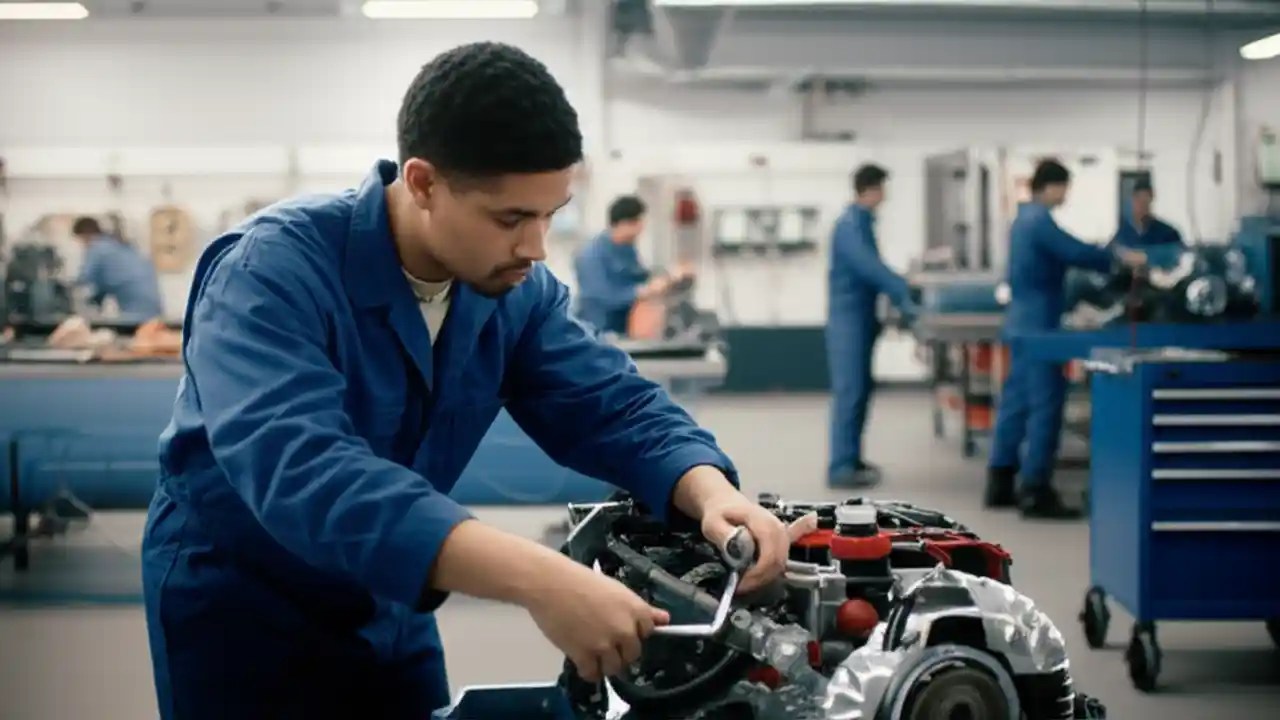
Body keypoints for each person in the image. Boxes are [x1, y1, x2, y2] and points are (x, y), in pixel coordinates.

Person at [140, 42, 790, 720]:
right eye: (510, 218)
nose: (536, 247)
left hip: (391, 592)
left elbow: (611, 404)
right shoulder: (269, 274)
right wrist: (542, 578)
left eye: (551, 215)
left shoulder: (513, 290)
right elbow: (304, 470)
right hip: (244, 610)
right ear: (422, 183)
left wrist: (707, 489)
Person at [986, 160, 1147, 519]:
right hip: (1040, 324)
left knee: (1016, 403)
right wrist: (1119, 258)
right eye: (1064, 188)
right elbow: (1074, 252)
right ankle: (1036, 490)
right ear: (1052, 186)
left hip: (1019, 321)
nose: (1066, 195)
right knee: (1046, 405)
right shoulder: (1039, 221)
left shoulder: (1022, 220)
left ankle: (999, 481)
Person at [826, 164, 917, 488]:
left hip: (862, 319)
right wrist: (904, 288)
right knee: (850, 392)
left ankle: (852, 458)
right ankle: (840, 466)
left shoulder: (861, 223)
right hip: (848, 320)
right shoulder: (850, 225)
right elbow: (870, 268)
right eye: (883, 189)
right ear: (872, 189)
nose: (885, 196)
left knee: (861, 391)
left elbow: (874, 270)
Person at [573, 195, 688, 335]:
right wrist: (643, 291)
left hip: (625, 329)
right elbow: (601, 295)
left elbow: (639, 275)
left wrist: (668, 276)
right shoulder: (591, 255)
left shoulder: (626, 249)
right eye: (639, 223)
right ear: (625, 223)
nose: (641, 230)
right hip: (598, 330)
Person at [71, 216, 164, 321]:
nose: (83, 246)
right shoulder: (124, 247)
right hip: (155, 313)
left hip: (135, 316)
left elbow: (84, 280)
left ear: (86, 235)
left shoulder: (98, 248)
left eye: (81, 241)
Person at [1111, 180, 1184, 250]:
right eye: (1138, 200)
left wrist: (1147, 257)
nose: (1141, 206)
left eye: (1144, 202)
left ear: (1150, 201)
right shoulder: (1124, 233)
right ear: (1132, 201)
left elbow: (1177, 254)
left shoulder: (1168, 233)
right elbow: (1110, 253)